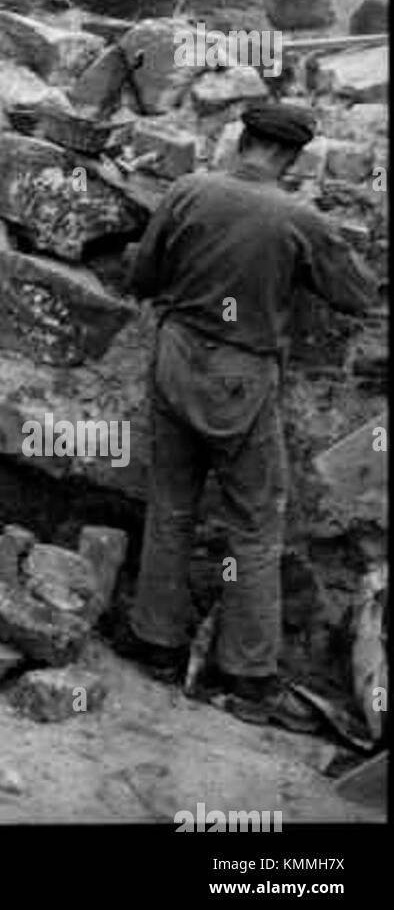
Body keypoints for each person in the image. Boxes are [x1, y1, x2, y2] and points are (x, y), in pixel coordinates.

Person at [117, 102, 378, 732]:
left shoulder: (188, 190)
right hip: (241, 375)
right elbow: (358, 295)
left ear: (242, 139)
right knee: (256, 526)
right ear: (291, 158)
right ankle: (247, 670)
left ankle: (156, 640)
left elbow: (144, 276)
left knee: (172, 504)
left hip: (176, 356)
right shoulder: (298, 217)